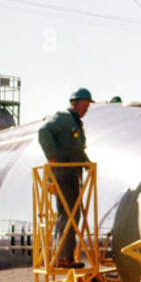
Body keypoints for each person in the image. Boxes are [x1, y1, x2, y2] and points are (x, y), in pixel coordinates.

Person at [37, 87, 93, 267]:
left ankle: (63, 256)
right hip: (63, 173)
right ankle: (63, 258)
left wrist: (87, 164)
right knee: (69, 214)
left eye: (87, 106)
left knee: (69, 214)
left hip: (71, 173)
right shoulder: (63, 117)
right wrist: (53, 158)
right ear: (74, 103)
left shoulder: (77, 123)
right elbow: (43, 132)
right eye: (83, 105)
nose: (85, 109)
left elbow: (76, 150)